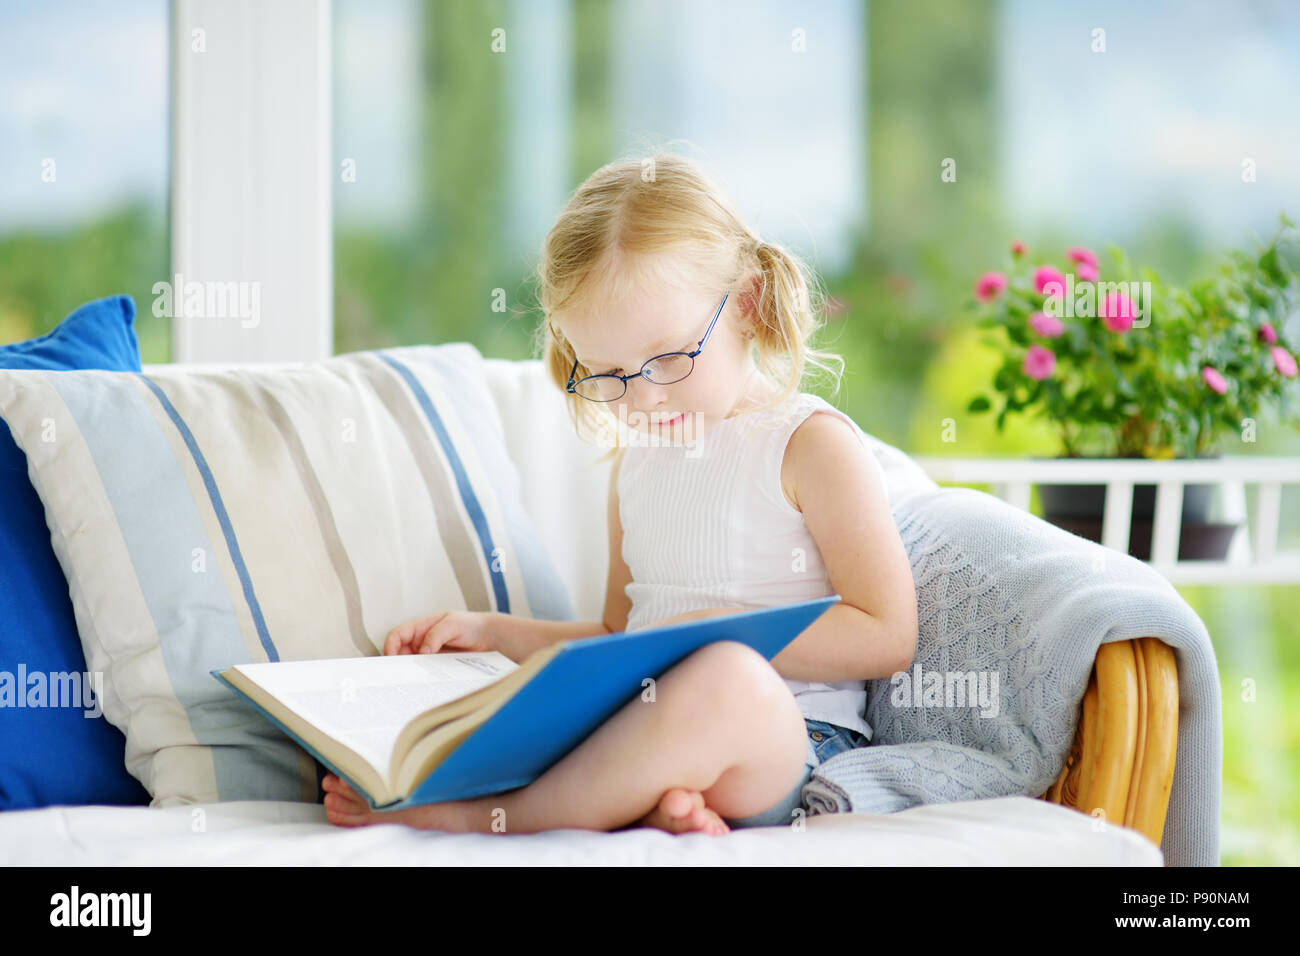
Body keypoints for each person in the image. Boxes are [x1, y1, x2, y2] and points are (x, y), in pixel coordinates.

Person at [323, 153, 918, 835]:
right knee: (579, 709)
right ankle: (666, 807)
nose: (644, 398)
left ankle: (490, 817)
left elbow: (887, 633)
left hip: (791, 741)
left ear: (747, 305)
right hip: (649, 730)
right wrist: (491, 633)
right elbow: (616, 637)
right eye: (606, 373)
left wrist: (716, 630)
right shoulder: (634, 465)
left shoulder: (808, 445)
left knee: (729, 678)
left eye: (668, 359)